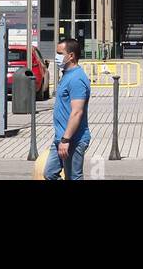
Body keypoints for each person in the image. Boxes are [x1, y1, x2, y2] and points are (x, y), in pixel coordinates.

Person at [45, 37, 90, 181]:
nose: (57, 57)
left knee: (73, 177)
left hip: (73, 139)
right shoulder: (66, 75)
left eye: (60, 53)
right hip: (60, 137)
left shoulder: (77, 79)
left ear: (71, 56)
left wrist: (66, 139)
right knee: (50, 173)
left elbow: (77, 112)